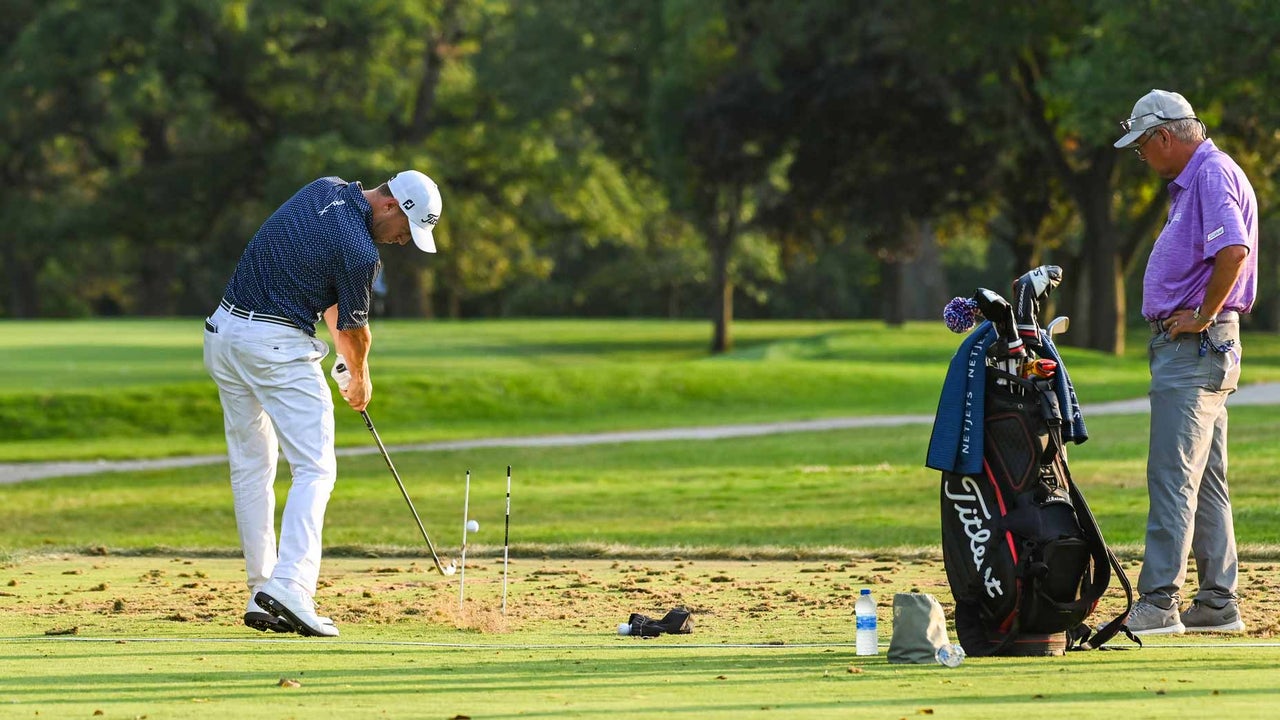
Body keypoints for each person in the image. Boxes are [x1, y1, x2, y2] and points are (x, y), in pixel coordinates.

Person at [203, 170, 443, 636]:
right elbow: (355, 331)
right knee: (315, 468)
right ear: (391, 206)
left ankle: (263, 588)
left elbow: (330, 297)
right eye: (405, 232)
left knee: (252, 467)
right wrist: (359, 377)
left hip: (223, 335)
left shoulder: (324, 189)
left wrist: (340, 358)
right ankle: (291, 585)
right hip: (273, 346)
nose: (403, 243)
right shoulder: (360, 251)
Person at [1113, 89, 1257, 635]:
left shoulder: (1211, 174)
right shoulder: (1196, 179)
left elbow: (1234, 250)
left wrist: (1201, 313)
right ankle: (1218, 604)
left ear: (1164, 137)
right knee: (1206, 479)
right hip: (1200, 348)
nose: (1141, 158)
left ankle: (1158, 601)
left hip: (1195, 347)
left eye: (1141, 148)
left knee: (1171, 475)